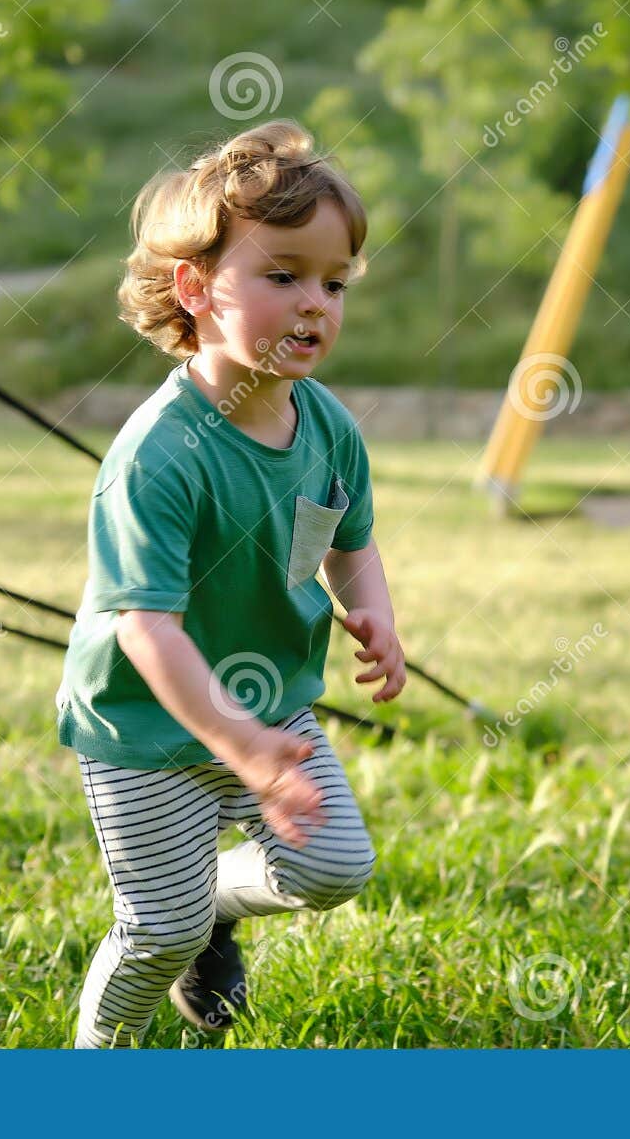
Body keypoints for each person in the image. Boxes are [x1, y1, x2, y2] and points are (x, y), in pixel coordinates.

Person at [56, 120, 406, 1047]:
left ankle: (216, 902)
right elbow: (147, 629)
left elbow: (349, 538)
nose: (315, 304)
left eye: (334, 283)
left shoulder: (329, 428)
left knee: (333, 867)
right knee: (156, 931)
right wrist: (237, 746)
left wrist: (373, 608)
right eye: (283, 274)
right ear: (196, 288)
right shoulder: (159, 457)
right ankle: (100, 1058)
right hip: (147, 720)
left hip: (271, 705)